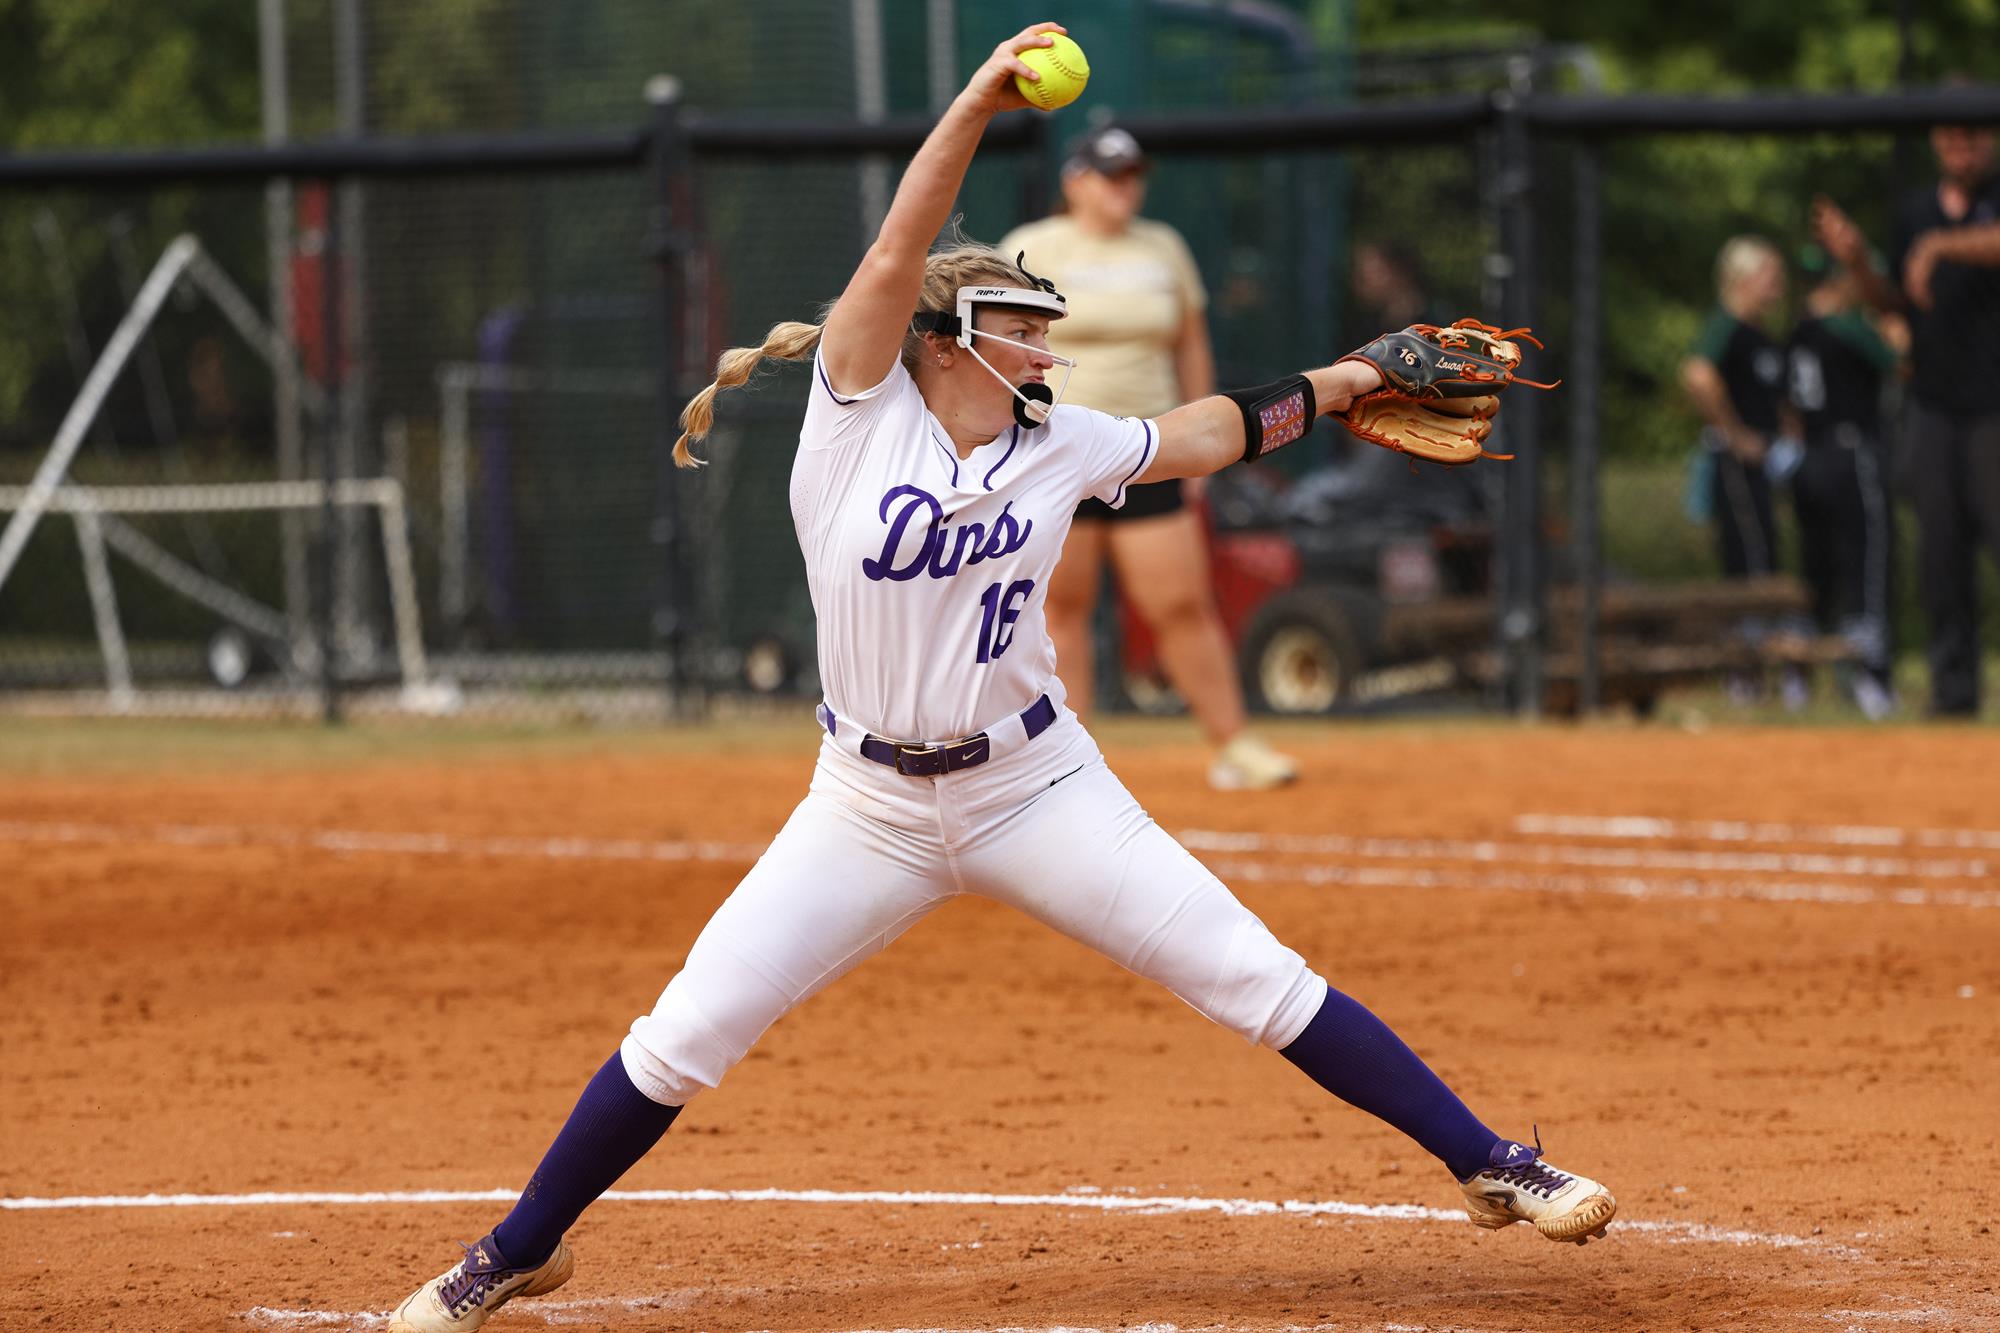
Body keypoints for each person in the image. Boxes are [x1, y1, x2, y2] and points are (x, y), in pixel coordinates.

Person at [382, 24, 1615, 1332]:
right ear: (942, 340)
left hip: (1036, 785)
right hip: (864, 806)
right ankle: (514, 1250)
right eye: (1019, 329)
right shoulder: (855, 416)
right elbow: (894, 251)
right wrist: (977, 98)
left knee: (1250, 974)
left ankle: (1489, 1160)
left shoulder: (1058, 442)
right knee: (686, 1033)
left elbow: (1204, 433)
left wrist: (1348, 376)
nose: (1042, 348)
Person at [997, 126, 1298, 792]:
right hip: (1058, 450)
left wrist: (1204, 448)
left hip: (1149, 449)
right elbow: (999, 345)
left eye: (1133, 175)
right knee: (1059, 611)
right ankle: (1065, 765)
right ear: (1076, 181)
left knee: (1182, 603)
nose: (1125, 187)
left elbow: (1190, 343)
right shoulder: (1033, 246)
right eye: (1111, 175)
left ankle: (1234, 744)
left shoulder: (1162, 246)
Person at [1815, 114, 2000, 717]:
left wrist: (1940, 246)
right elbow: (1893, 301)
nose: (1961, 145)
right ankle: (1954, 693)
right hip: (1933, 404)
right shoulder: (1915, 211)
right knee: (1939, 556)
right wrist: (1858, 263)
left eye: (1973, 134)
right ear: (1936, 141)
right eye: (1950, 135)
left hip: (1994, 406)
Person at [1785, 245, 1904, 719]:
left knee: (1816, 569)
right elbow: (1900, 362)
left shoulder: (1797, 331)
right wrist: (1894, 334)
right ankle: (1872, 675)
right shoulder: (1849, 328)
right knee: (1867, 565)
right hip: (1852, 453)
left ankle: (1798, 677)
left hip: (1808, 456)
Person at [1679, 235, 1795, 705]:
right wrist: (1734, 433)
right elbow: (1697, 374)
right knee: (1748, 557)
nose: (1779, 283)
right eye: (1770, 274)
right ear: (1742, 278)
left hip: (1766, 461)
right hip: (1736, 463)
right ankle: (1745, 670)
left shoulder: (1762, 333)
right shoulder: (1726, 326)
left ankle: (1766, 666)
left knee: (1765, 551)